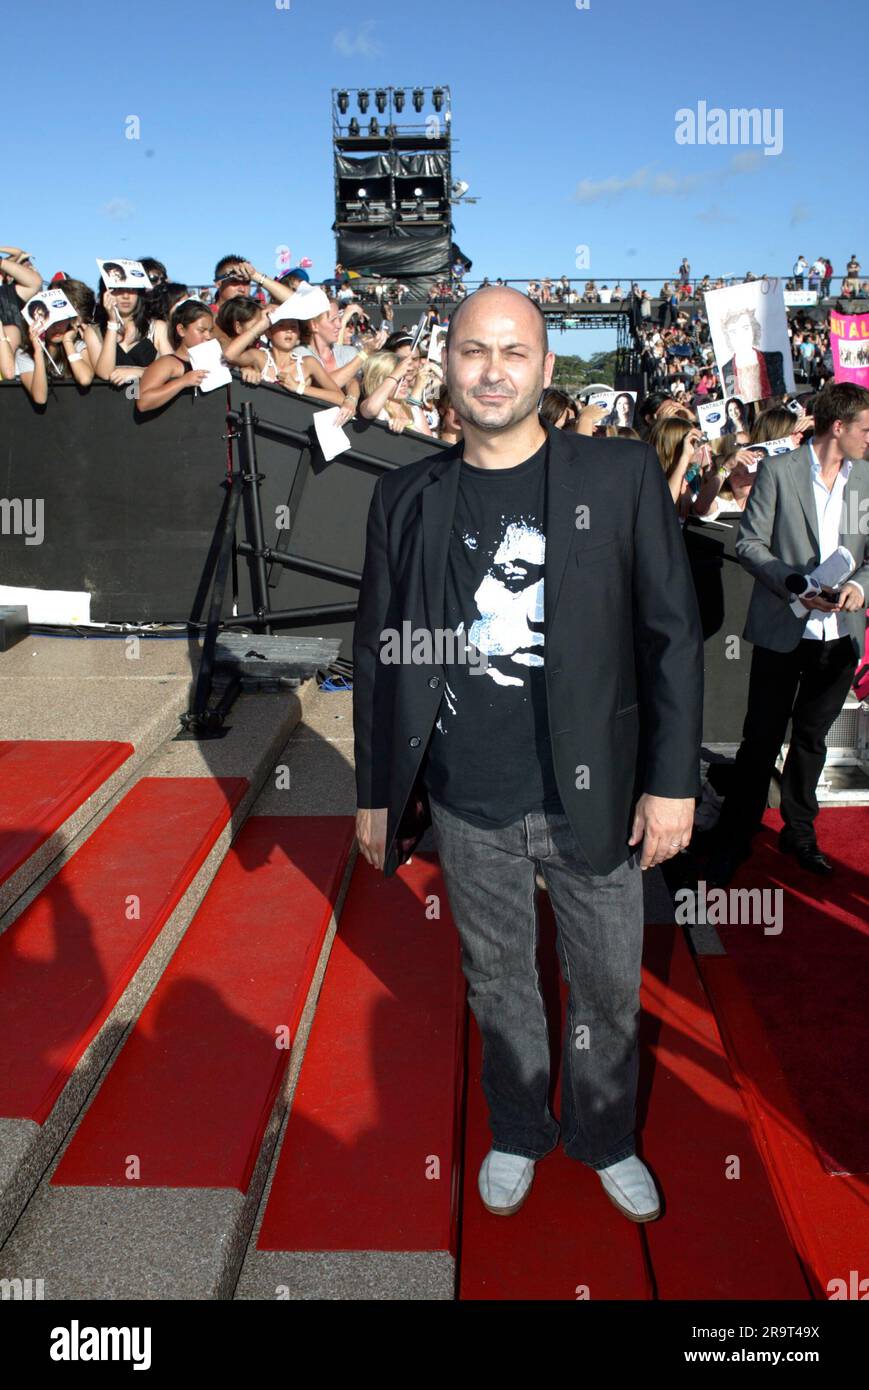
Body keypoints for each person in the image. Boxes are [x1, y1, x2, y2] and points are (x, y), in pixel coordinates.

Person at [352, 285, 703, 1223]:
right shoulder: (406, 496)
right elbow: (383, 651)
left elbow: (670, 637)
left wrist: (673, 786)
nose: (493, 369)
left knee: (605, 989)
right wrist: (378, 791)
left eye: (514, 352)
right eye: (474, 351)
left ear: (546, 370)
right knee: (497, 978)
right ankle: (518, 1126)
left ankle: (602, 1135)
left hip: (596, 798)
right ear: (448, 372)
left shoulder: (618, 476)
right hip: (468, 799)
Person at [707, 382, 869, 884]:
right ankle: (736, 831)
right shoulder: (779, 472)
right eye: (865, 428)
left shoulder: (864, 479)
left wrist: (860, 588)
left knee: (812, 739)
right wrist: (795, 584)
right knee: (760, 737)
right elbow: (751, 544)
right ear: (837, 428)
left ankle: (799, 830)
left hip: (840, 632)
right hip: (785, 626)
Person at [135, 300, 214, 412]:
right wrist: (183, 381)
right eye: (202, 330)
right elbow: (143, 402)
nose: (208, 336)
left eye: (210, 331)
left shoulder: (214, 359)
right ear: (181, 330)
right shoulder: (167, 363)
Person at [718, 304, 786, 402]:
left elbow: (780, 391)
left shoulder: (773, 359)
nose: (741, 336)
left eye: (745, 328)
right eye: (733, 331)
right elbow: (732, 398)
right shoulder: (727, 368)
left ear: (753, 330)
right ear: (728, 337)